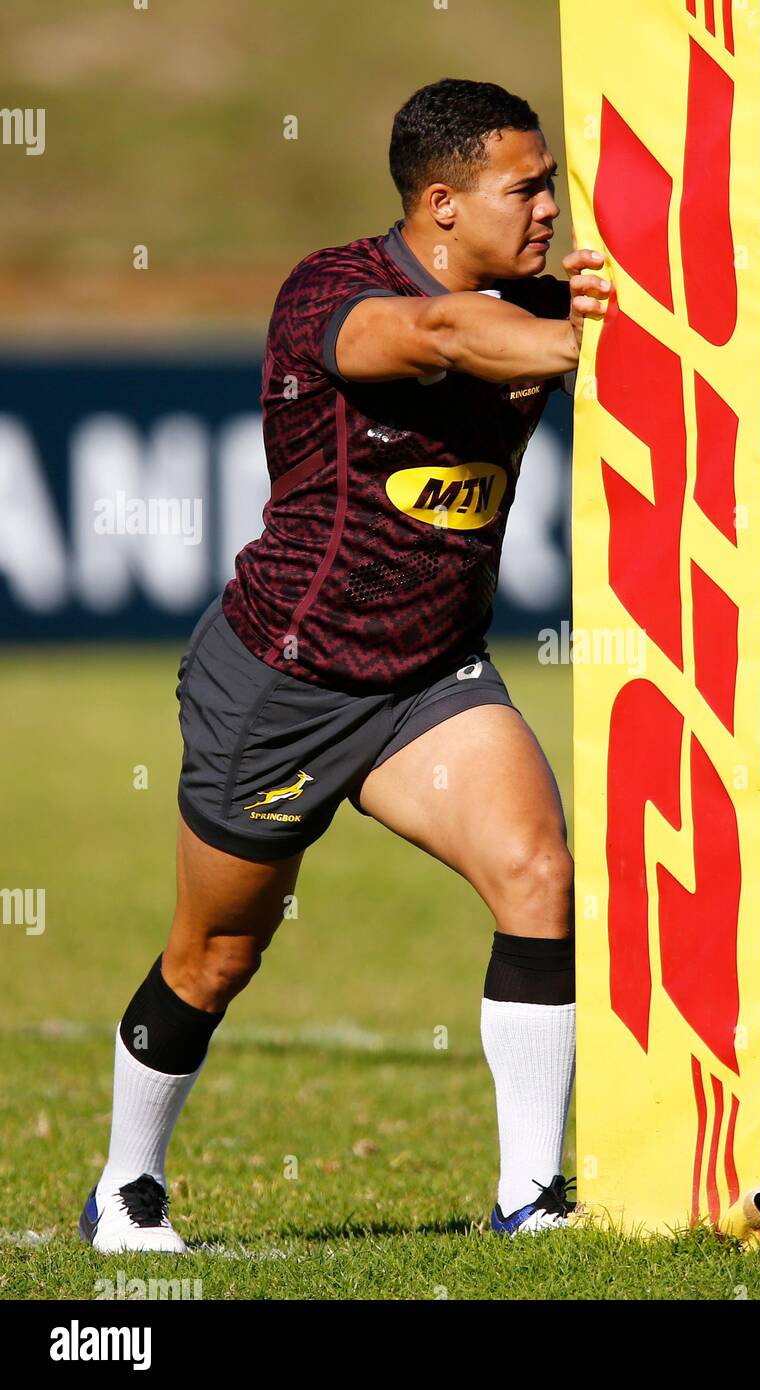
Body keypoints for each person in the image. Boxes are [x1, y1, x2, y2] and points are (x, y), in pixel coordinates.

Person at [79, 77, 612, 1252]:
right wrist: (583, 339)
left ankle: (529, 1197)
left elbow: (534, 317)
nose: (547, 207)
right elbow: (434, 336)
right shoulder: (339, 292)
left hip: (429, 677)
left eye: (551, 184)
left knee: (536, 871)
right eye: (524, 188)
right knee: (215, 954)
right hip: (282, 681)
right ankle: (124, 1187)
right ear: (439, 204)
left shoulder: (532, 293)